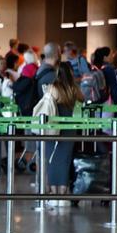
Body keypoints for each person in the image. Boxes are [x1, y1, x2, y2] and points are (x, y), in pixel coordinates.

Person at [40, 63, 83, 207]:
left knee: (52, 159)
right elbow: (82, 100)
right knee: (65, 160)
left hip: (54, 128)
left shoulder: (53, 88)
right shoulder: (74, 88)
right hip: (70, 129)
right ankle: (63, 192)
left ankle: (54, 192)